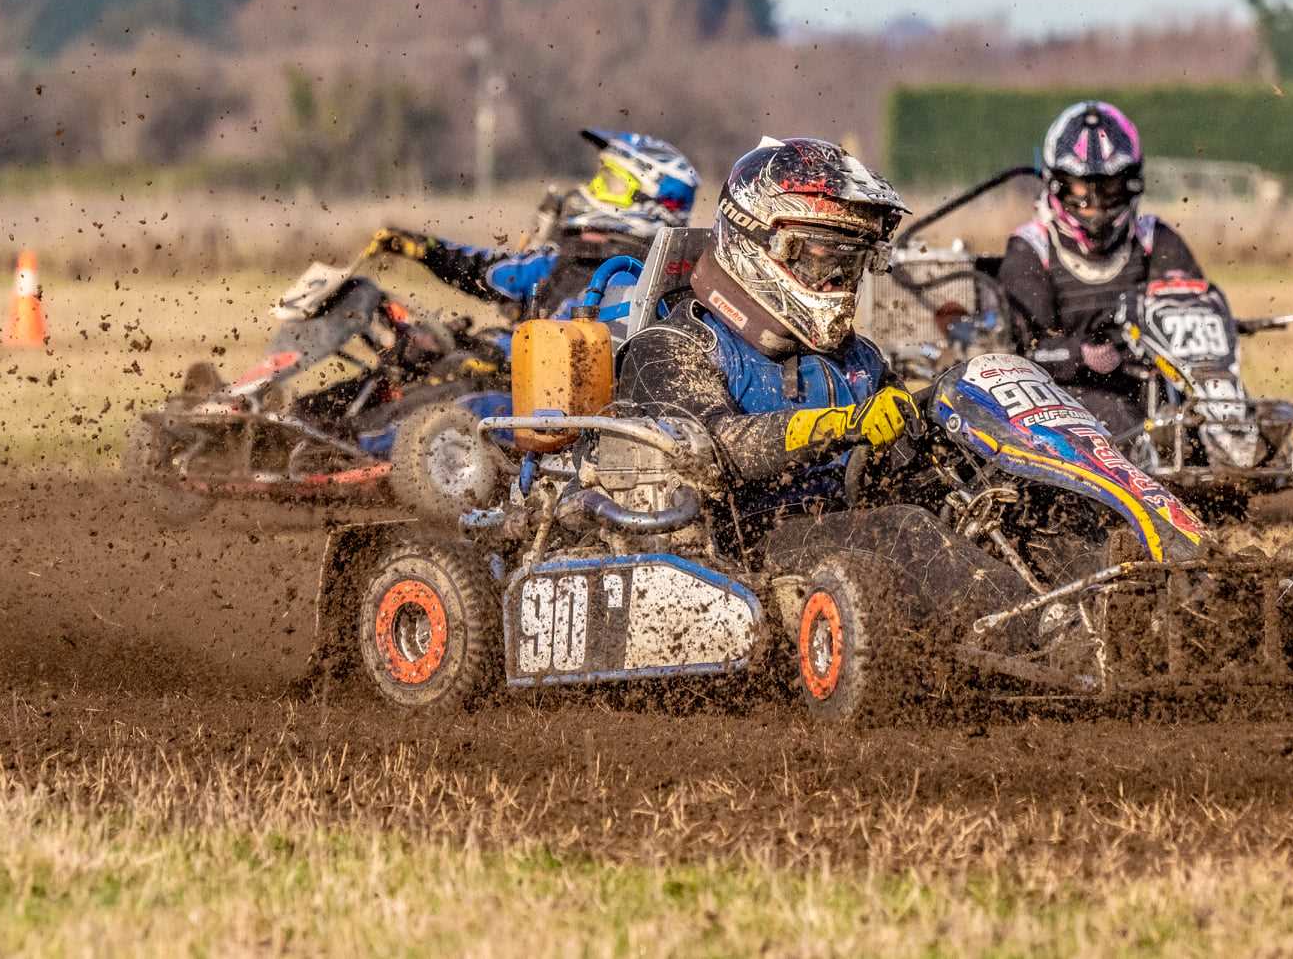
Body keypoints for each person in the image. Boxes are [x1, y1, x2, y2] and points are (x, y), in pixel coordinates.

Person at [616, 136, 1034, 649]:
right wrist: (843, 424)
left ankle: (1108, 602)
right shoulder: (673, 346)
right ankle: (1044, 633)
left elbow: (899, 450)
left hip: (847, 534)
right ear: (762, 244)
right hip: (746, 549)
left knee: (1002, 495)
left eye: (852, 263)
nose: (839, 279)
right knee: (904, 531)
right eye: (824, 259)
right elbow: (719, 448)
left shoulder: (855, 357)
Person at [997, 101, 1203, 433]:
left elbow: (1194, 315)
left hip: (1156, 395)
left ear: (1129, 183)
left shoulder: (1154, 239)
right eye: (1082, 188)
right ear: (1058, 185)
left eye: (1107, 188)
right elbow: (1019, 355)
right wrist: (1080, 353)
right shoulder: (1031, 249)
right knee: (1119, 417)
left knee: (1211, 418)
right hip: (1066, 404)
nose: (1094, 205)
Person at [367, 128, 701, 319]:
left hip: (546, 407)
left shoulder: (639, 280)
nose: (592, 190)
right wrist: (427, 250)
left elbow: (572, 336)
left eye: (609, 183)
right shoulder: (569, 259)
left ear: (654, 201)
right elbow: (495, 274)